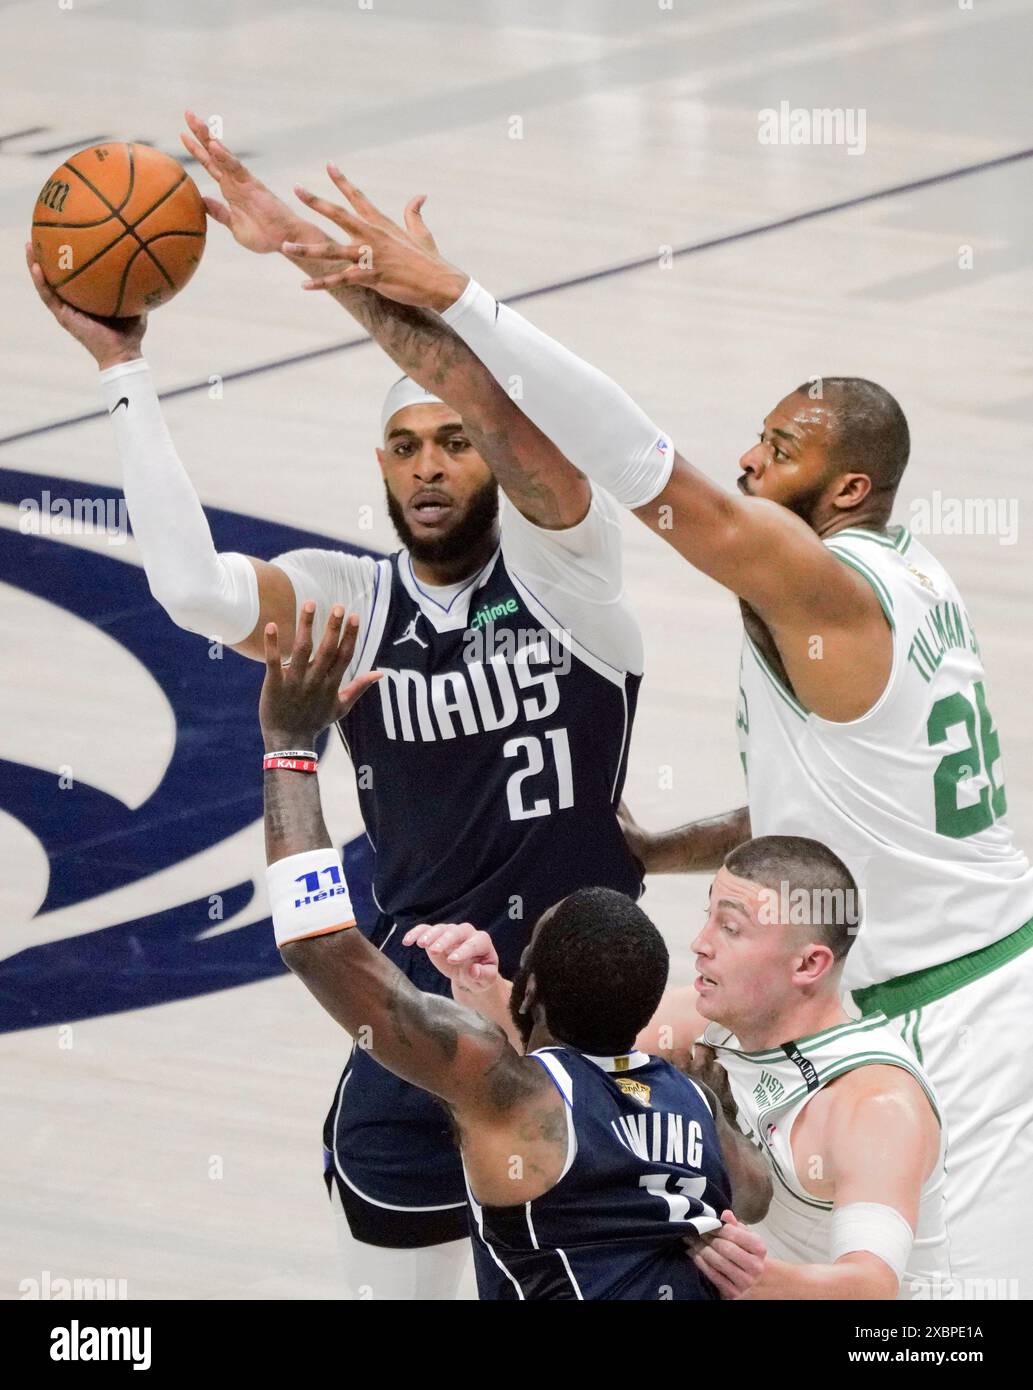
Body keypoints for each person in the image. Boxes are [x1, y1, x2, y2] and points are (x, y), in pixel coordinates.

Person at [289, 184, 1033, 1292]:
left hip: (951, 1017)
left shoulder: (819, 591)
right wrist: (656, 850)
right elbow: (822, 809)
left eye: (778, 451)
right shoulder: (903, 572)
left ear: (847, 487)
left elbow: (637, 462)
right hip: (870, 986)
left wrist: (460, 299)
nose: (745, 461)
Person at [25, 117, 646, 1300]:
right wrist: (122, 369)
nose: (427, 463)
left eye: (453, 442)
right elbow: (192, 588)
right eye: (403, 445)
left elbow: (522, 426)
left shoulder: (569, 572)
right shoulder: (350, 603)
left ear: (492, 459)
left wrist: (316, 255)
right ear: (378, 470)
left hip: (586, 1029)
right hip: (419, 1031)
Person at [258, 602, 769, 1300]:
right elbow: (755, 1191)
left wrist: (288, 745)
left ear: (528, 994)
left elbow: (319, 949)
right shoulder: (691, 1101)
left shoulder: (506, 1092)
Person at [404, 835, 949, 1300]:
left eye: (730, 929)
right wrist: (487, 986)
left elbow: (871, 1284)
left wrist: (755, 1277)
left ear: (808, 964)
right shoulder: (712, 1017)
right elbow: (567, 1044)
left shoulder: (875, 1104)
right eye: (707, 915)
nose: (699, 944)